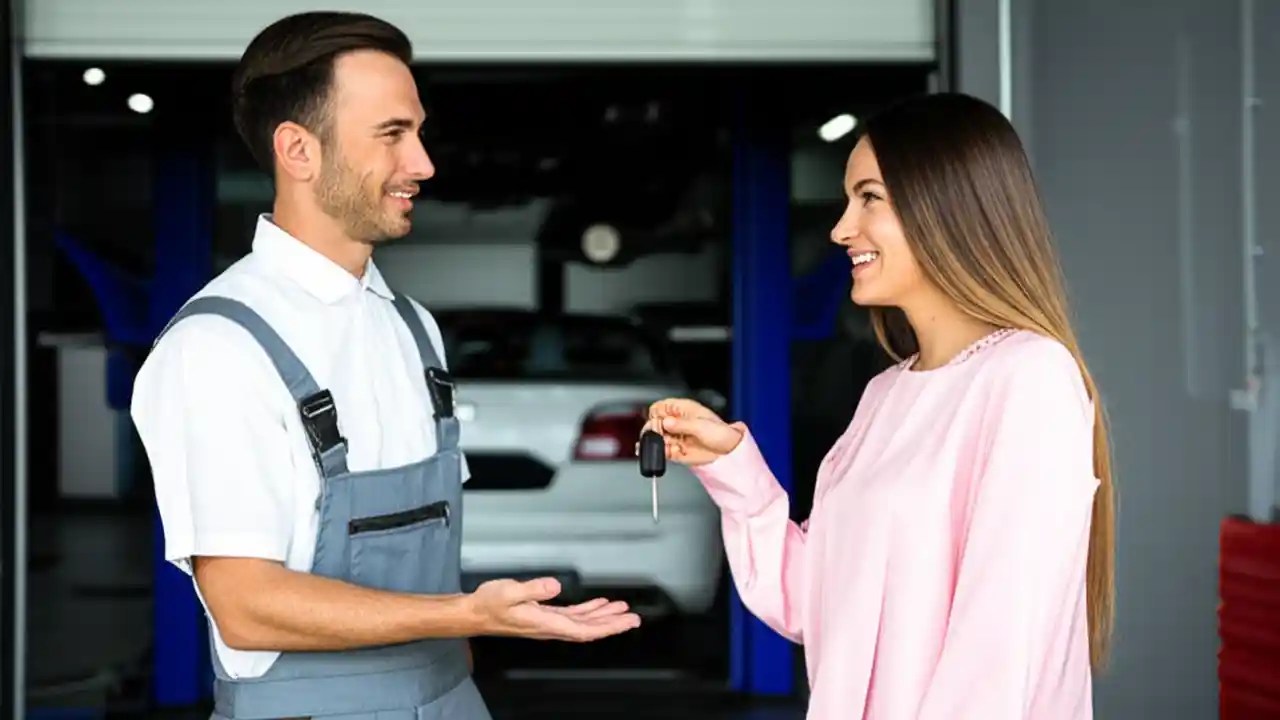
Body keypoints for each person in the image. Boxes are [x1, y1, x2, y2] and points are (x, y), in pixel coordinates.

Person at [130, 11, 640, 720]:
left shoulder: (412, 327)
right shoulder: (217, 348)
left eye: (419, 132)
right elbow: (246, 606)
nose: (423, 163)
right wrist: (467, 613)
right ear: (298, 151)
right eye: (392, 135)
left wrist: (462, 641)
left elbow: (434, 543)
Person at [644, 92, 1115, 719]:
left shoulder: (1029, 378)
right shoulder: (886, 393)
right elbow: (811, 602)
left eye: (869, 197)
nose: (841, 228)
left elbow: (998, 648)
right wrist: (733, 465)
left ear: (949, 206)